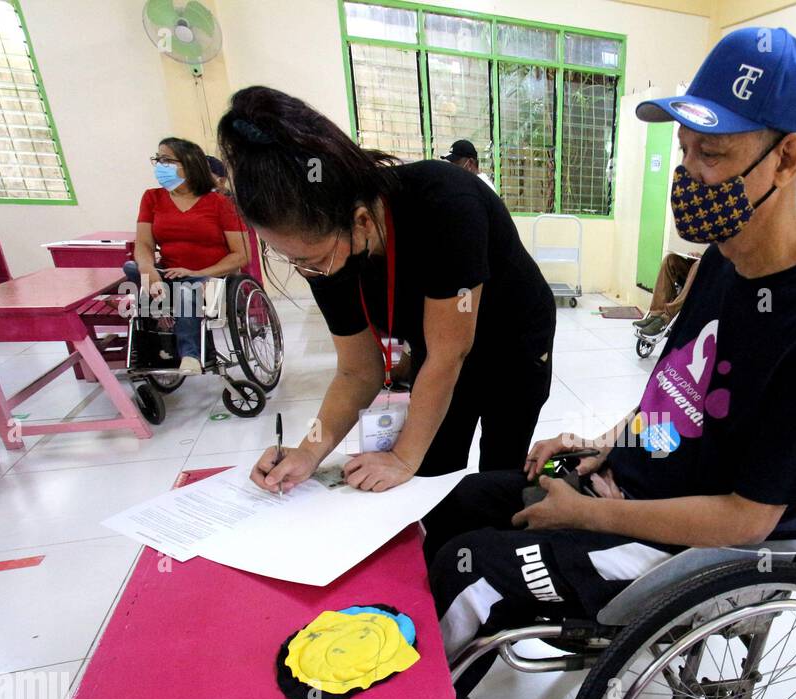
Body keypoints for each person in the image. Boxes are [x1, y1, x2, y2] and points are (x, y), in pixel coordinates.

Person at [421, 27, 796, 699]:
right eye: (685, 150)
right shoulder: (721, 260)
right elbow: (676, 403)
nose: (689, 174)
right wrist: (604, 447)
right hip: (629, 487)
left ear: (788, 157)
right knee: (457, 504)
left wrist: (590, 517)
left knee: (475, 572)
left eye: (712, 155)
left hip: (688, 544)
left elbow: (748, 520)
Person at [218, 87, 556, 492]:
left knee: (499, 468)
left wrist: (401, 456)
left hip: (513, 341)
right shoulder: (327, 253)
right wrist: (309, 450)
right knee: (432, 465)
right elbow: (356, 370)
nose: (308, 271)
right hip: (438, 349)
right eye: (292, 259)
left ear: (361, 221)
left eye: (312, 259)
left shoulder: (446, 204)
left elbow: (450, 354)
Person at [129, 137, 249, 374]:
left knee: (187, 289)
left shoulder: (219, 203)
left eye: (167, 160)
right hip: (168, 275)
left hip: (211, 278)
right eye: (158, 160)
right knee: (131, 268)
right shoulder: (152, 198)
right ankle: (151, 350)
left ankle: (190, 355)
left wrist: (197, 273)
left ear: (189, 164)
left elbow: (242, 254)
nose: (160, 166)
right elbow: (143, 244)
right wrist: (148, 269)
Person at [633, 252, 701, 337]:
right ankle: (656, 314)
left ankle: (666, 318)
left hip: (711, 276)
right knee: (670, 259)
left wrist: (705, 258)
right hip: (700, 267)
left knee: (698, 265)